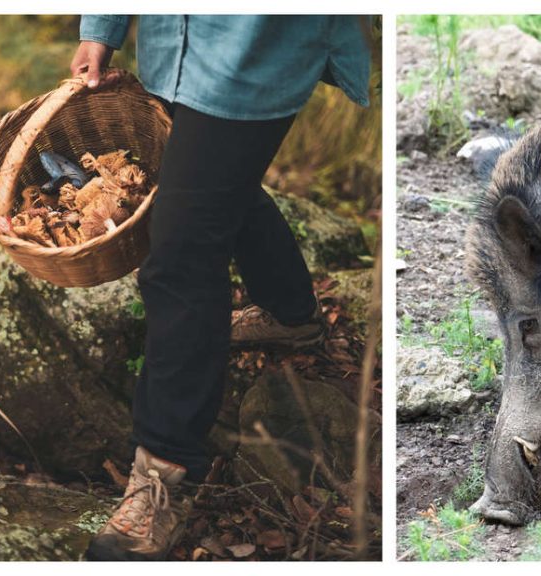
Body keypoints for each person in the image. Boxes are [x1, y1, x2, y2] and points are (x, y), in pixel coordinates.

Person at [70, 15, 372, 561]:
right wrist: (103, 25)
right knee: (213, 186)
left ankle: (162, 469)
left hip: (257, 50)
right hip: (172, 48)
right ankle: (293, 313)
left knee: (179, 257)